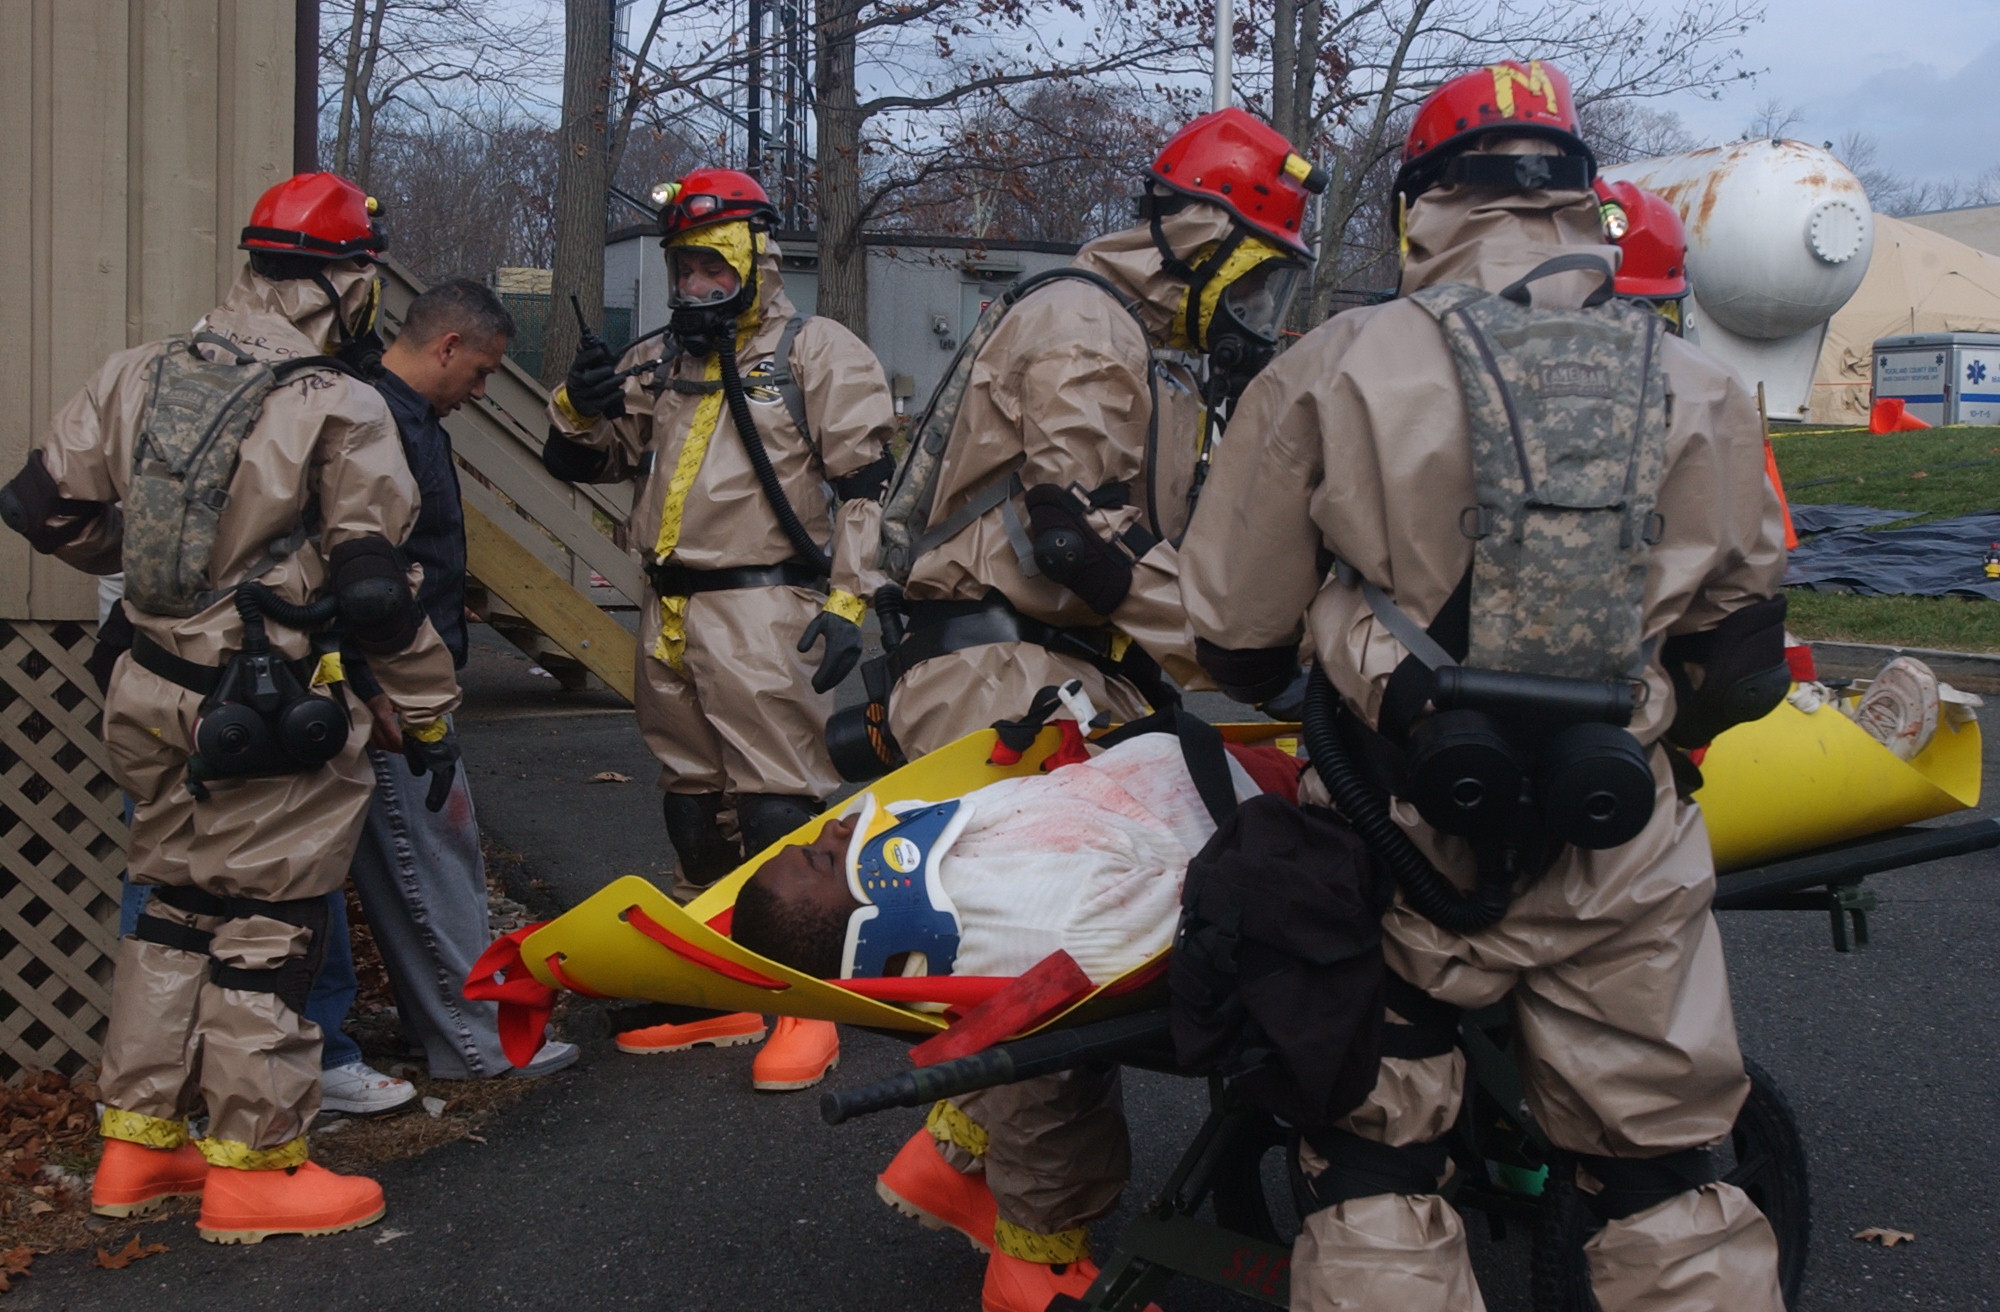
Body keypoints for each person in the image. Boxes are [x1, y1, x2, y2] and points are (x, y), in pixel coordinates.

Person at [1181, 60, 1789, 1309]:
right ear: (1578, 195)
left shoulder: (1333, 365)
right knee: (1662, 1180)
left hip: (1391, 839)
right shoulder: (1697, 386)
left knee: (1371, 1169)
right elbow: (1740, 662)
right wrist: (1635, 731)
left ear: (1421, 203)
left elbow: (1234, 637)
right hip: (1615, 841)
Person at [840, 109, 1325, 1312]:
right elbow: (1077, 538)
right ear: (1197, 235)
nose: (1254, 308)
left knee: (1025, 954)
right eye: (1252, 275)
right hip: (1005, 669)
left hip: (1041, 665)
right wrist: (1250, 652)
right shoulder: (1086, 325)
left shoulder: (1132, 343)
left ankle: (954, 1158)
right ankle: (1040, 1260)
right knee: (1067, 957)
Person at [0, 172, 461, 1242]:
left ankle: (138, 1147)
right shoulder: (339, 403)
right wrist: (429, 709)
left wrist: (158, 567)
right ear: (344, 283)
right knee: (270, 924)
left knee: (172, 908)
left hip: (149, 688)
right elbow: (375, 594)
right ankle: (256, 1164)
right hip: (270, 709)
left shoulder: (141, 368)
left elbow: (44, 506)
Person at [541, 168, 897, 1090]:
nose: (696, 285)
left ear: (754, 262)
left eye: (713, 266)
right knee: (693, 800)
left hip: (765, 605)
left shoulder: (817, 353)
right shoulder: (659, 362)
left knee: (780, 803)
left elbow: (866, 487)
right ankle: (722, 987)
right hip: (668, 608)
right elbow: (588, 458)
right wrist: (579, 401)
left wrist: (850, 602)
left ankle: (808, 1006)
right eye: (684, 269)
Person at [339, 278, 580, 1086]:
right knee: (431, 860)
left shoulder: (407, 420)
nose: (480, 391)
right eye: (481, 372)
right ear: (447, 347)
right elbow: (356, 568)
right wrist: (376, 686)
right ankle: (475, 1043)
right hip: (394, 691)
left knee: (433, 856)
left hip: (411, 681)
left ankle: (446, 1025)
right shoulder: (377, 422)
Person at [732, 734, 1288, 984]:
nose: (832, 828)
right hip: (1260, 803)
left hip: (1196, 765)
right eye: (824, 860)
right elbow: (1224, 894)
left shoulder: (918, 860)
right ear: (869, 936)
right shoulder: (1052, 929)